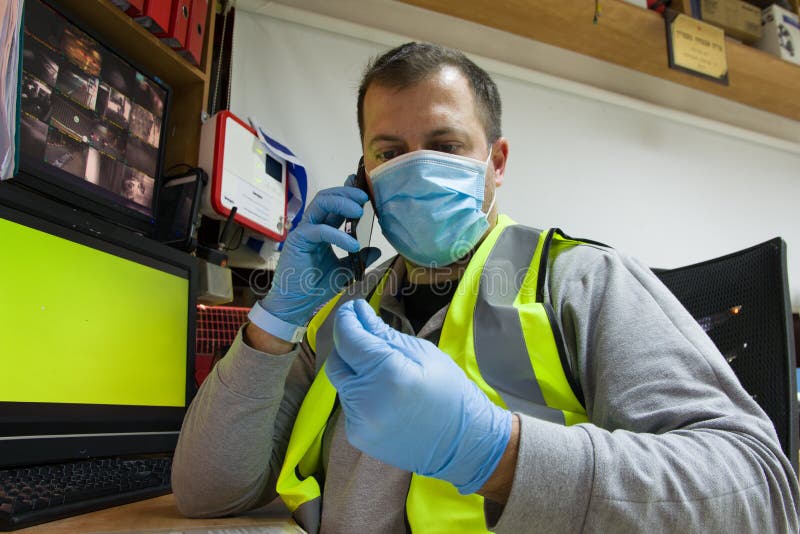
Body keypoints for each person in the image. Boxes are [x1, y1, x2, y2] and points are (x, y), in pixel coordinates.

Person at [172, 42, 800, 533]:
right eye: (390, 152)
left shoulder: (581, 281)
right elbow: (207, 492)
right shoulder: (337, 311)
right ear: (363, 175)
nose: (414, 167)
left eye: (446, 146)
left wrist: (495, 454)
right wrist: (275, 320)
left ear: (495, 163)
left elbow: (760, 497)